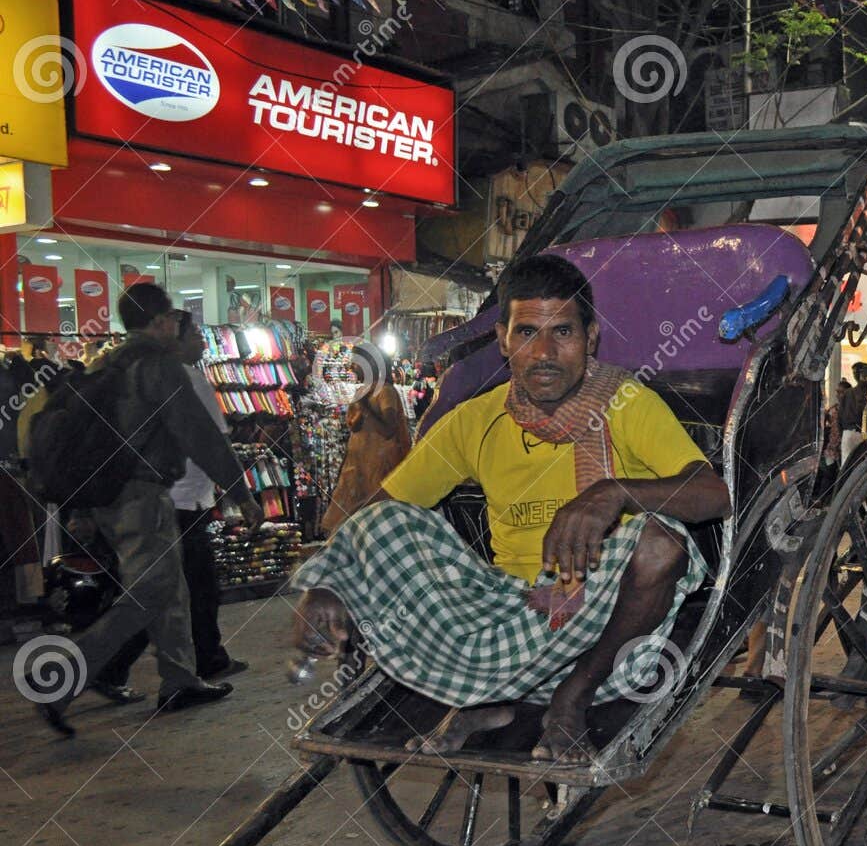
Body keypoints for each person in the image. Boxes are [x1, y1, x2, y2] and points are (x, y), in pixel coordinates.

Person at [288, 255, 730, 764]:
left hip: (599, 623)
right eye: (526, 333)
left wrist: (614, 493)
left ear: (590, 338)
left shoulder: (628, 403)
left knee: (662, 541)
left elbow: (713, 494)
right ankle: (493, 698)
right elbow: (381, 515)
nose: (544, 353)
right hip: (503, 621)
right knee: (378, 525)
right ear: (502, 340)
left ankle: (572, 697)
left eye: (562, 332)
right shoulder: (474, 419)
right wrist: (328, 582)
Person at [32, 285, 263, 735]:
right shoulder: (157, 366)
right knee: (151, 591)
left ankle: (180, 680)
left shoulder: (107, 364)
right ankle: (61, 680)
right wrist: (242, 494)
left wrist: (80, 507)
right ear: (159, 322)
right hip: (139, 495)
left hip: (106, 494)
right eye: (173, 317)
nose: (177, 324)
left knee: (170, 585)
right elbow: (200, 435)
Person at [95, 310, 248, 698]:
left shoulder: (129, 374)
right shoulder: (184, 379)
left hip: (151, 499)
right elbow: (213, 443)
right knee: (171, 590)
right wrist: (242, 495)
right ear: (172, 337)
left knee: (174, 591)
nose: (201, 340)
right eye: (194, 333)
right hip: (177, 500)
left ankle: (185, 673)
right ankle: (91, 667)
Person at [321, 344, 412, 535]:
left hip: (380, 469)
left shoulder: (385, 391)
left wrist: (365, 407)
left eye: (356, 363)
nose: (352, 367)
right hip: (358, 467)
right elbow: (354, 426)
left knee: (377, 520)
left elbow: (389, 428)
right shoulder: (363, 391)